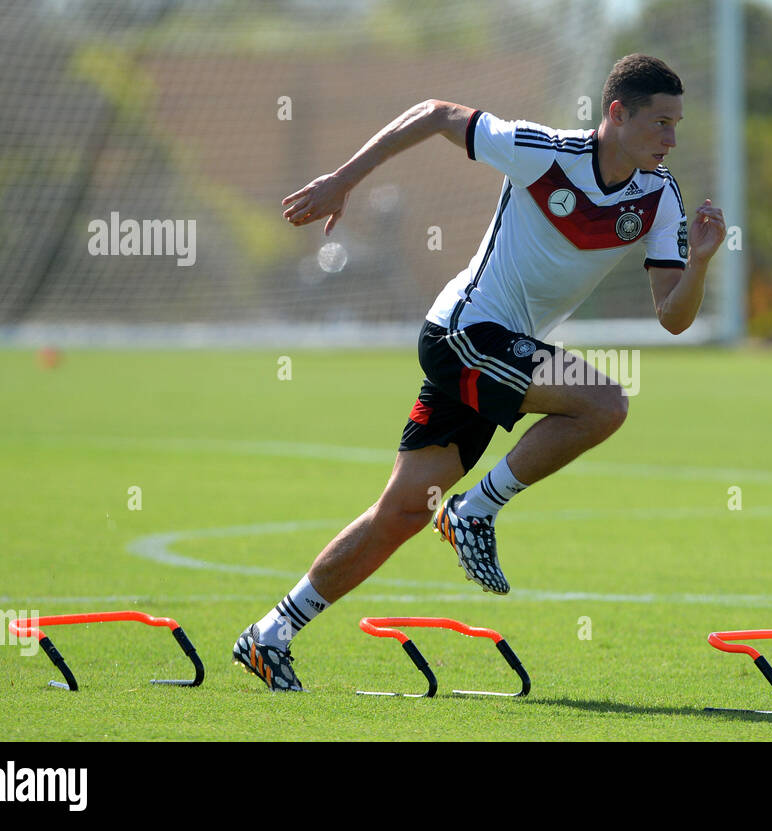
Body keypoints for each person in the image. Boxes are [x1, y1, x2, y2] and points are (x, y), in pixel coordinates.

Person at [234, 54, 726, 690]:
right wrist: (343, 180)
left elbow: (673, 316)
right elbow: (437, 114)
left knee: (404, 512)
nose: (672, 139)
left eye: (676, 125)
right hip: (463, 333)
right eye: (661, 123)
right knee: (603, 402)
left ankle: (269, 634)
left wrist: (702, 264)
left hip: (497, 355)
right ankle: (475, 511)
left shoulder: (659, 197)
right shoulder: (542, 151)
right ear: (616, 114)